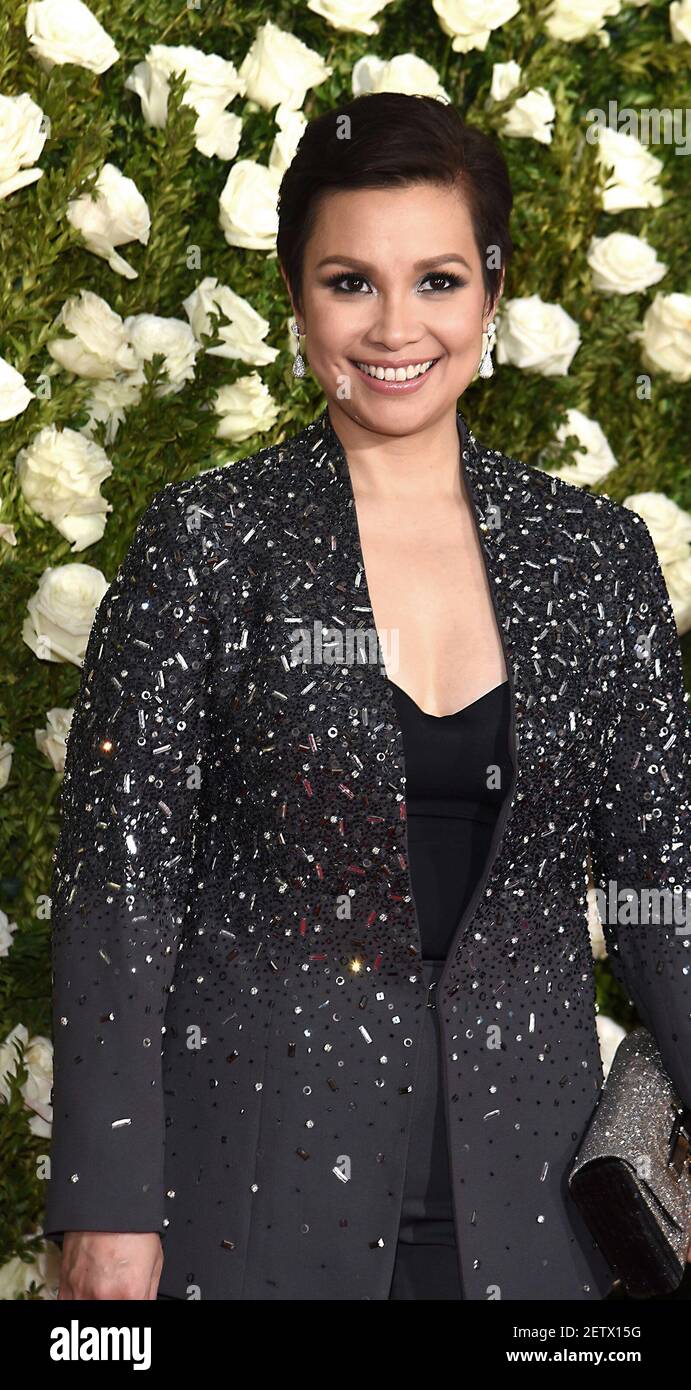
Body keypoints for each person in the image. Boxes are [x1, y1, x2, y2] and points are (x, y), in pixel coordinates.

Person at [42, 92, 691, 1301]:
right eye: (351, 281)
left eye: (437, 279)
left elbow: (666, 896)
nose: (397, 325)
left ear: (491, 295)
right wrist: (105, 1201)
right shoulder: (207, 541)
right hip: (239, 1199)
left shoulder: (593, 557)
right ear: (295, 297)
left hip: (539, 1211)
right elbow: (117, 890)